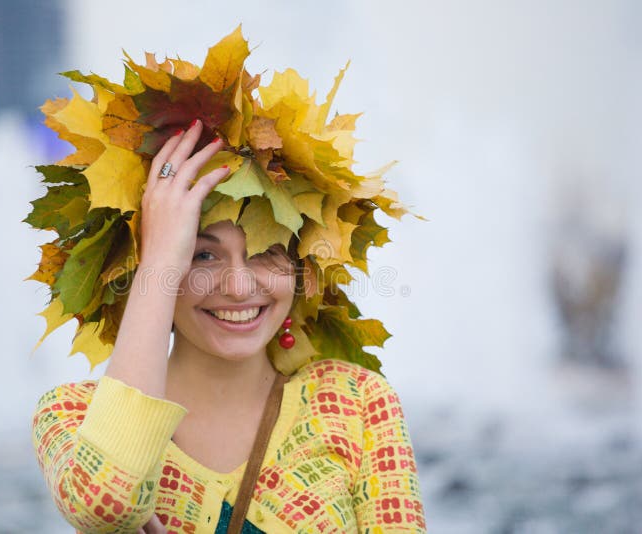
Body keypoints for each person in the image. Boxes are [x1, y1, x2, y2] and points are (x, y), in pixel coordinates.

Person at [32, 117, 426, 533]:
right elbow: (106, 504)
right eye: (202, 255)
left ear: (301, 266)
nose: (239, 286)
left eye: (267, 249)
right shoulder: (72, 415)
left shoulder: (356, 403)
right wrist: (161, 259)